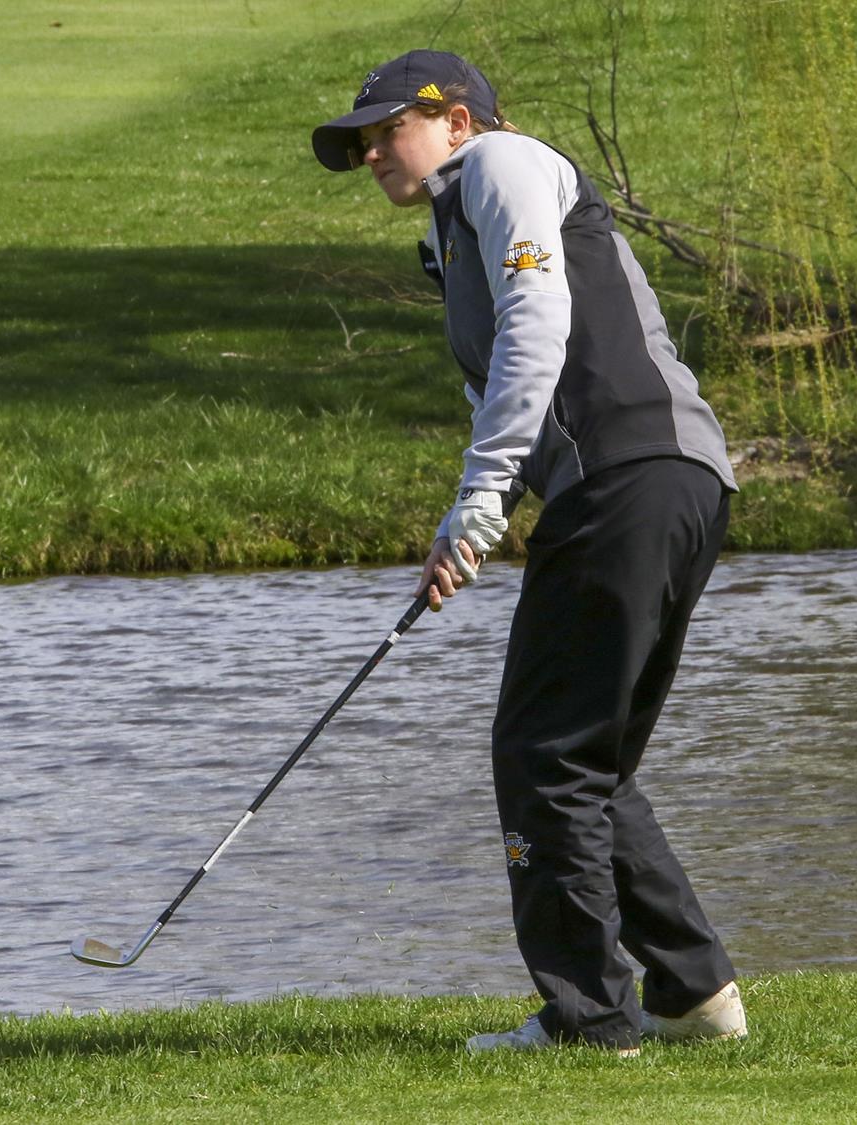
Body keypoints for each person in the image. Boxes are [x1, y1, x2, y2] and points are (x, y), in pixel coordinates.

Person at [311, 50, 748, 1054]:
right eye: (364, 140)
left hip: (630, 479)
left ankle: (589, 1020)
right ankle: (690, 993)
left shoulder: (500, 165)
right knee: (586, 759)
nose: (374, 150)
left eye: (390, 130)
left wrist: (477, 500)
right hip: (667, 482)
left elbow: (535, 326)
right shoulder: (449, 233)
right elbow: (495, 388)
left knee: (541, 754)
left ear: (455, 120)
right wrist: (467, 525)